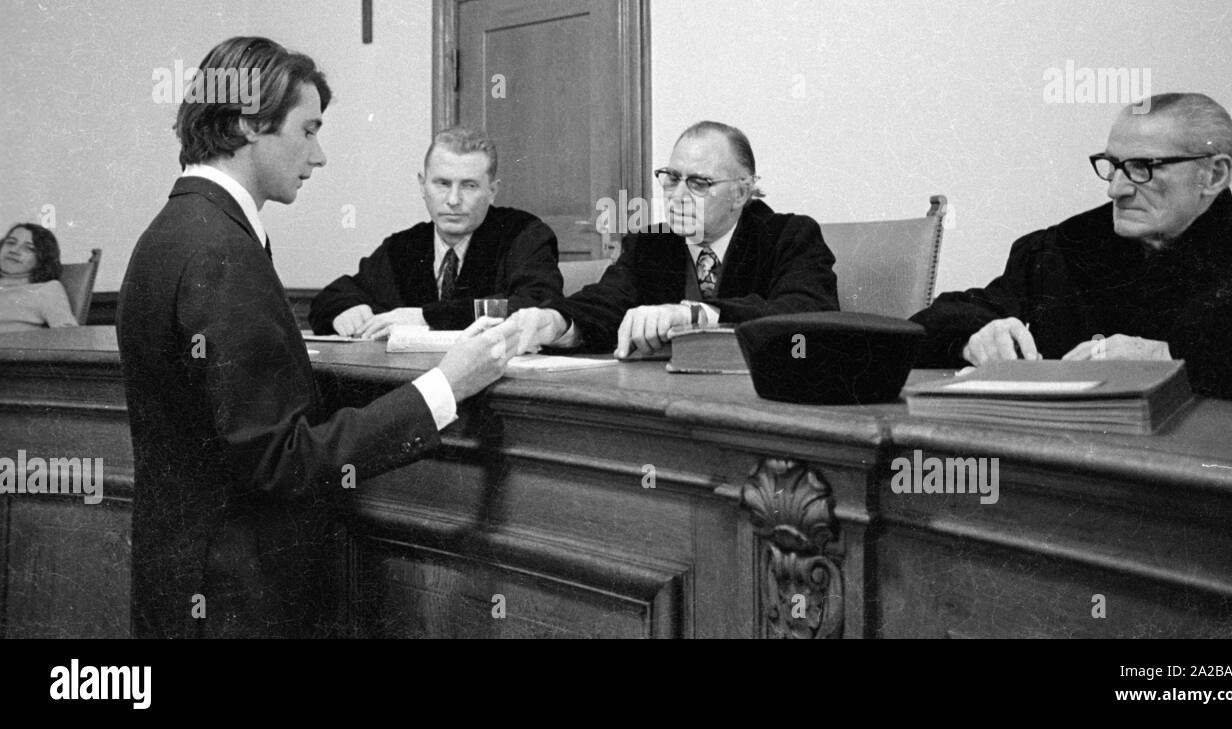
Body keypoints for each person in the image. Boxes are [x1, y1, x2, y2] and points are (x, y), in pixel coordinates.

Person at [116, 36, 518, 638]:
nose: (320, 154)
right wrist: (445, 386)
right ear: (252, 123)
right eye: (308, 130)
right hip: (235, 596)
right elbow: (280, 460)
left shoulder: (174, 230)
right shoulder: (222, 250)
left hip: (184, 578)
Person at [910, 93, 1232, 400]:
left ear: (1213, 174)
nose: (1116, 188)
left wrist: (1167, 356)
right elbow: (937, 320)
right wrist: (976, 335)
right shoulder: (1068, 244)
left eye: (1142, 168)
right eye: (1113, 165)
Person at [508, 120, 839, 358]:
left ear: (740, 192)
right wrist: (557, 322)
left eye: (698, 183)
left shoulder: (788, 235)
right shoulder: (651, 243)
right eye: (671, 178)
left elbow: (808, 312)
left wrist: (697, 315)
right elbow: (606, 302)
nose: (677, 196)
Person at [309, 128, 562, 339]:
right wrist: (345, 310)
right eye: (442, 184)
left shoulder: (523, 234)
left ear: (492, 191)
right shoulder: (404, 246)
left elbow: (537, 304)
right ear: (423, 185)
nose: (453, 200)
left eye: (469, 186)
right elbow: (333, 296)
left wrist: (426, 318)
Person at [0, 223, 78, 332]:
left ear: (41, 259)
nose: (14, 250)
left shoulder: (46, 290)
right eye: (11, 243)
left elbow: (68, 336)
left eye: (28, 248)